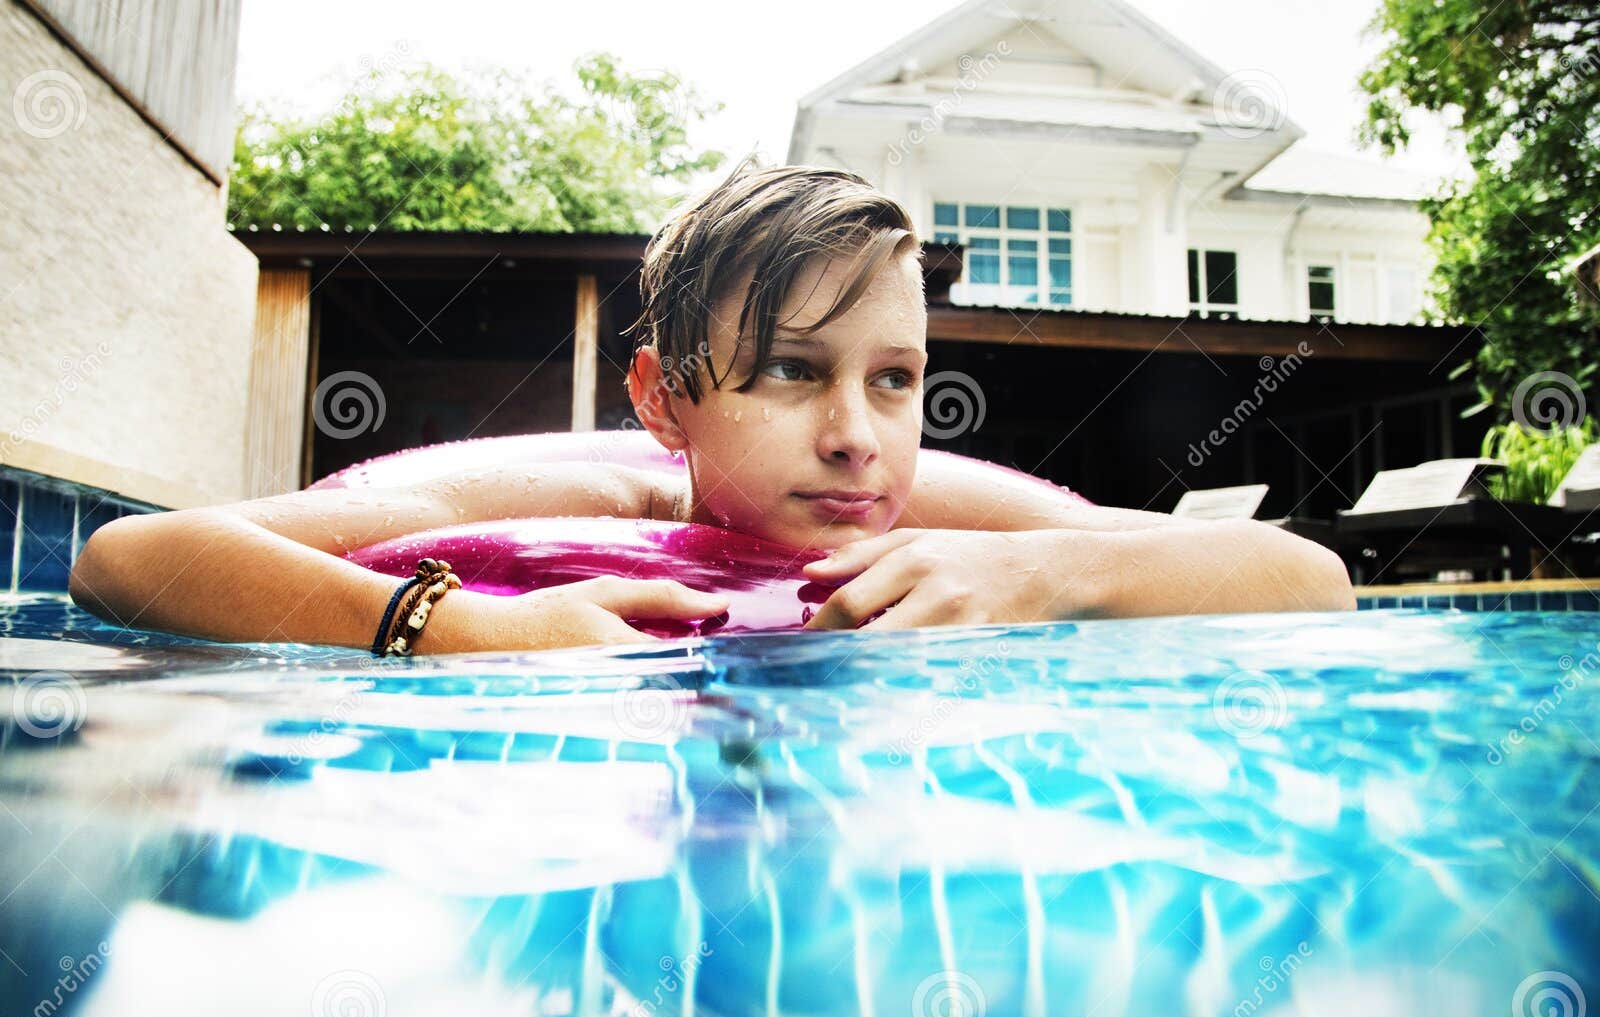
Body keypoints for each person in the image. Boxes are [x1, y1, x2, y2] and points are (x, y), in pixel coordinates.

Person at [69, 160, 1354, 654]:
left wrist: (1050, 579)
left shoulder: (939, 513)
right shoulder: (564, 494)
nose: (858, 433)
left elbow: (1306, 578)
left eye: (894, 380)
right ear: (664, 398)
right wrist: (455, 632)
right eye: (792, 370)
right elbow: (127, 559)